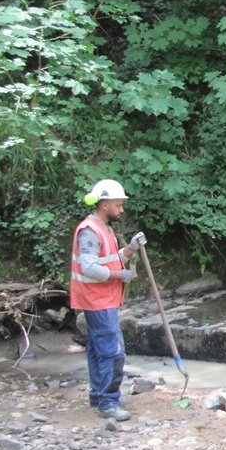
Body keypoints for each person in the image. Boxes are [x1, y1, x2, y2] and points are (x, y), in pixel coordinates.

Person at [70, 179, 147, 421]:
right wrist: (120, 275)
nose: (121, 209)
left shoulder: (105, 228)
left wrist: (131, 249)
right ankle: (108, 401)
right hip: (97, 300)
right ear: (104, 205)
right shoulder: (90, 231)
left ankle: (99, 395)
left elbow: (111, 258)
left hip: (102, 299)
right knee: (113, 352)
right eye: (118, 205)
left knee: (97, 350)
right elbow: (90, 268)